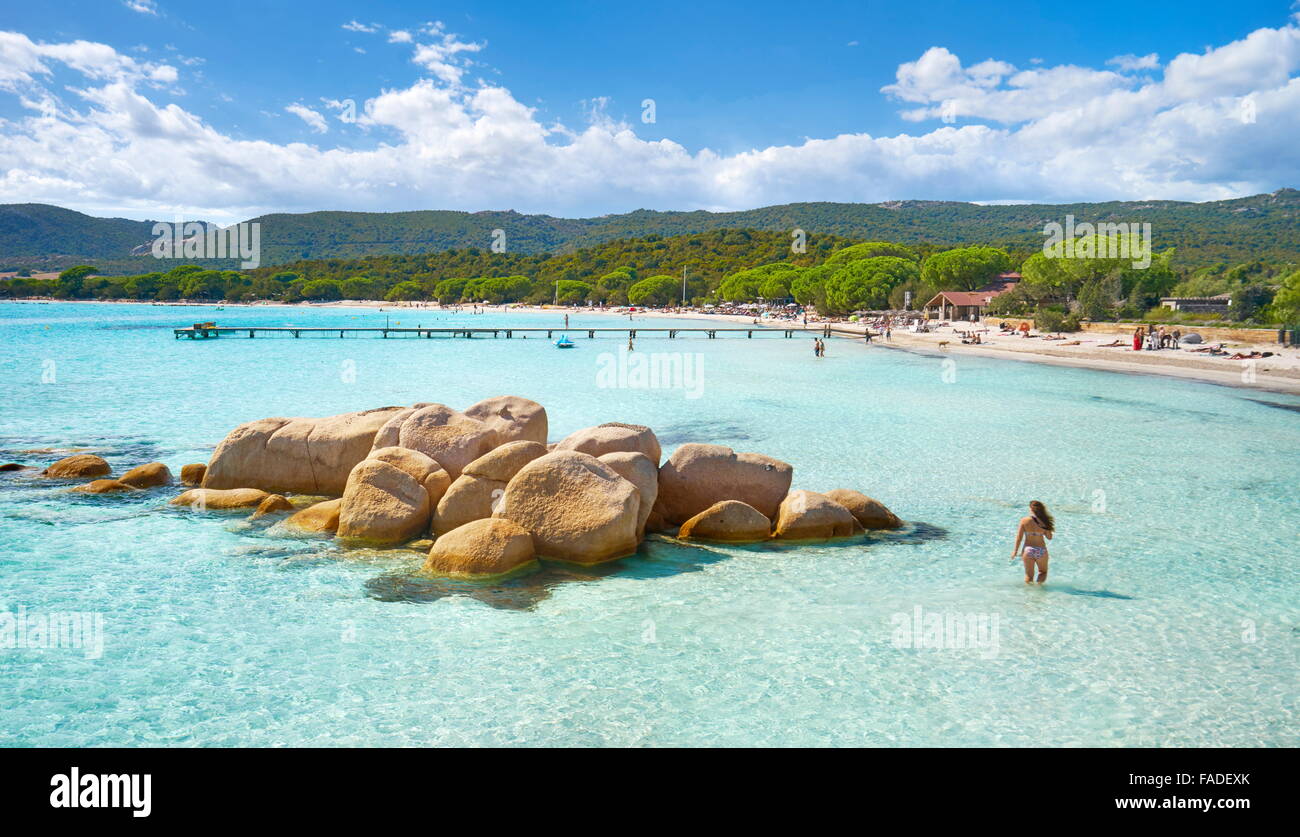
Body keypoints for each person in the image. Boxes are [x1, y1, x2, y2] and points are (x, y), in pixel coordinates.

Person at [1011, 501, 1055, 585]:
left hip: (1028, 550)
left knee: (1029, 575)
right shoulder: (1044, 522)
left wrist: (1015, 551)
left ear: (1031, 509)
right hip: (1041, 550)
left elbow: (1019, 537)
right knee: (1043, 572)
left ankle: (1028, 594)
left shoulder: (1024, 520)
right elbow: (1049, 537)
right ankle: (1039, 589)